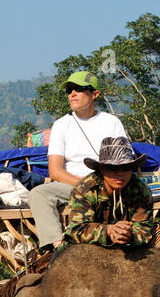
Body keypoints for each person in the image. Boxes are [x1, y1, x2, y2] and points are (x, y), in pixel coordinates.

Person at [27, 71, 129, 254]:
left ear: (95, 94)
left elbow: (123, 160)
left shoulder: (111, 123)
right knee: (38, 194)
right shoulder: (61, 125)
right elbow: (55, 170)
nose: (72, 94)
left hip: (106, 185)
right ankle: (58, 247)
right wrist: (83, 185)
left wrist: (102, 183)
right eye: (69, 90)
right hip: (73, 186)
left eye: (79, 89)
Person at [62, 136, 156, 247]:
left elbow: (144, 230)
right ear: (101, 169)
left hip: (125, 248)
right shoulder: (84, 190)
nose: (120, 173)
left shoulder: (141, 191)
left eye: (126, 167)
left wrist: (128, 235)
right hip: (84, 249)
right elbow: (77, 230)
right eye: (113, 168)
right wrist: (109, 231)